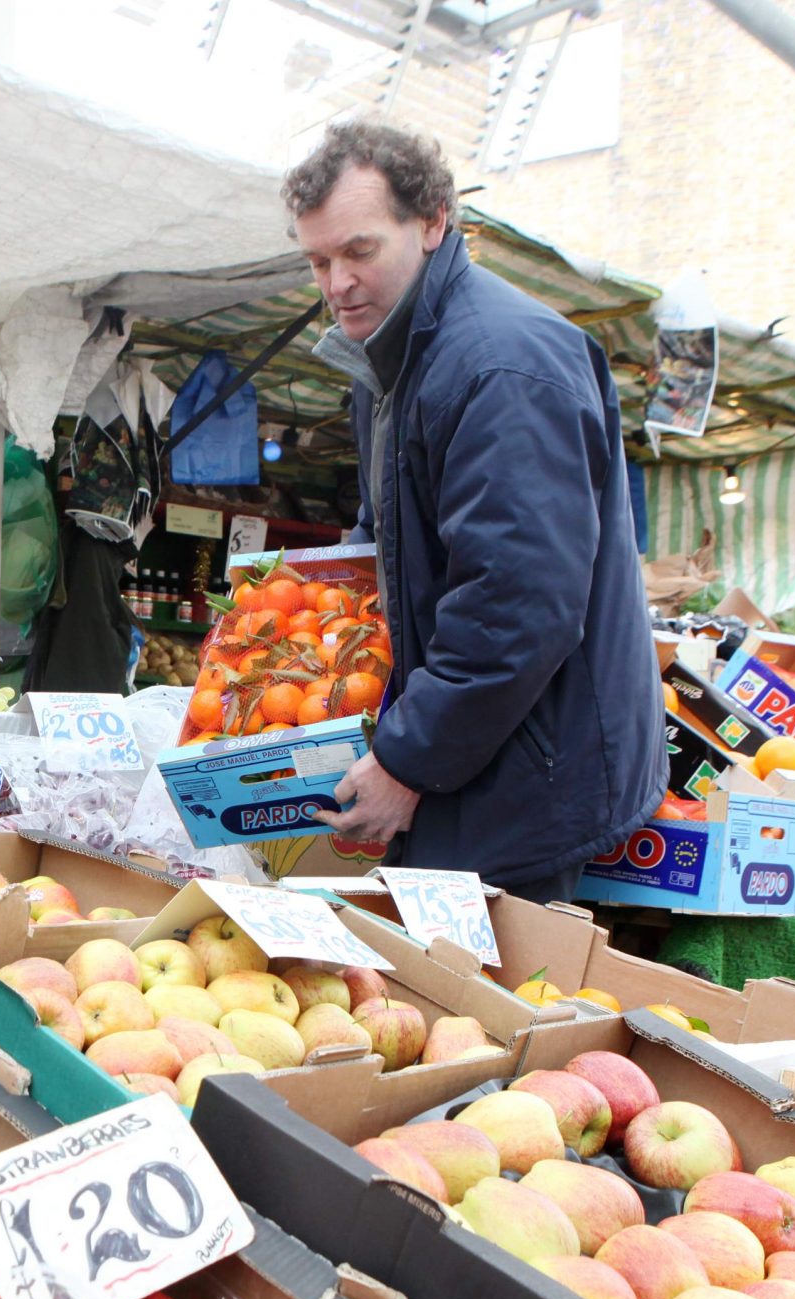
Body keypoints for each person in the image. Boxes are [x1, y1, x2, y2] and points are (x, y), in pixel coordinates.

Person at [288, 120, 663, 903]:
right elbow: (389, 533)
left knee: (488, 1012)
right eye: (319, 260)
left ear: (433, 222)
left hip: (526, 772)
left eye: (359, 251)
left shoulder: (502, 365)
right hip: (480, 756)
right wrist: (288, 606)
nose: (337, 283)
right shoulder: (389, 363)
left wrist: (408, 763)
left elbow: (516, 602)